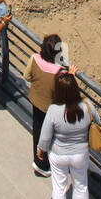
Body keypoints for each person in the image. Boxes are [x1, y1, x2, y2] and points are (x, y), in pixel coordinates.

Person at [37, 71, 99, 199]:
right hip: (80, 153)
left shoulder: (54, 110)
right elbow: (97, 121)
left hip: (59, 154)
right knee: (81, 183)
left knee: (59, 186)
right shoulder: (86, 106)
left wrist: (41, 149)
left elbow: (45, 136)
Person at [22, 35, 78, 177]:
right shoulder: (60, 73)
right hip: (51, 109)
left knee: (38, 130)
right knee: (48, 135)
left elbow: (27, 76)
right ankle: (43, 164)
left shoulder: (34, 58)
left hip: (35, 101)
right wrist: (70, 75)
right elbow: (67, 92)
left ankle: (39, 160)